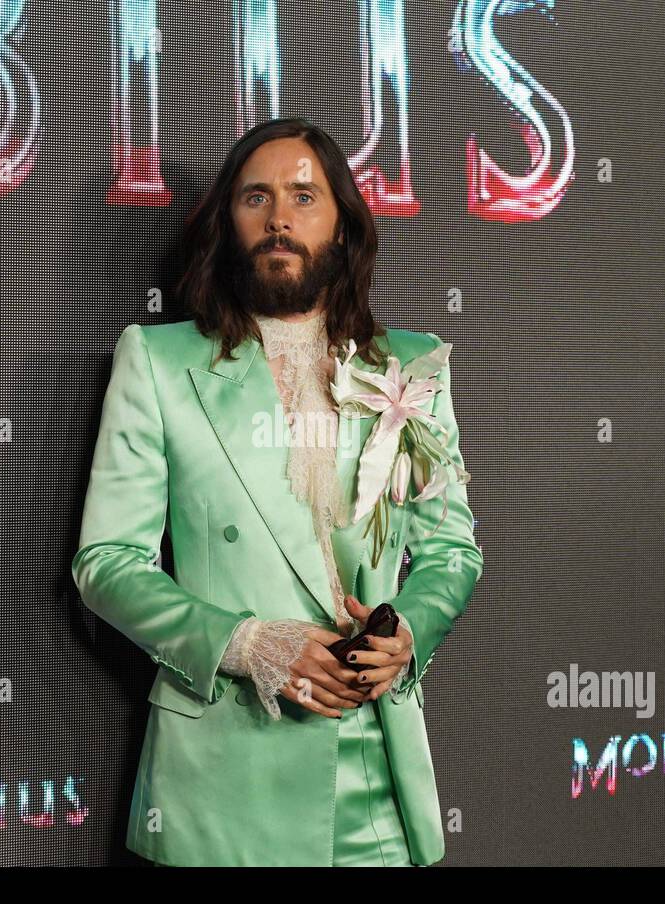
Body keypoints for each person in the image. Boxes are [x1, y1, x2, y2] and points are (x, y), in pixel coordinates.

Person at [72, 116, 483, 866]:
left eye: (304, 196)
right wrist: (248, 644)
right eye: (255, 198)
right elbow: (106, 565)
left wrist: (407, 636)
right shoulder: (160, 363)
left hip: (376, 777)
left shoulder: (412, 366)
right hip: (224, 784)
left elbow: (452, 548)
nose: (280, 218)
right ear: (228, 224)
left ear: (342, 224)